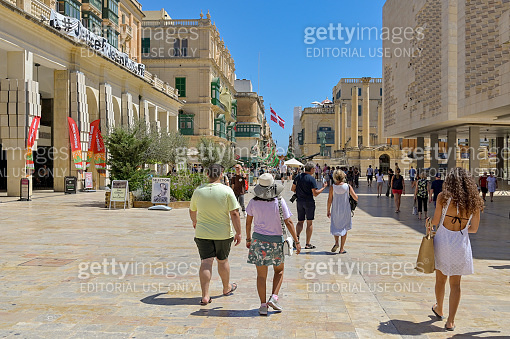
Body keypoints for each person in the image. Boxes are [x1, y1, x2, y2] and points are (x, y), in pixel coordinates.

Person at [428, 167, 482, 331]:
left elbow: (435, 222)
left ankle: (439, 308)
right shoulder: (475, 201)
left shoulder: (443, 198)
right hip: (460, 243)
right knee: (456, 284)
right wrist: (462, 229)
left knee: (440, 279)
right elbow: (474, 229)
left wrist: (429, 225)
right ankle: (450, 321)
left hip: (443, 242)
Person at [246, 173, 301, 316]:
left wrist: (248, 238)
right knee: (279, 271)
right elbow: (288, 222)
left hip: (258, 241)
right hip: (276, 241)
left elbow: (248, 222)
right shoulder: (279, 201)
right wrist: (296, 241)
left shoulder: (253, 202)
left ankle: (263, 305)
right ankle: (274, 297)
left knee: (261, 275)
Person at [189, 164, 242, 305]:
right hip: (223, 234)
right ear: (221, 174)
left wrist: (195, 222)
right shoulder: (227, 191)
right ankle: (226, 288)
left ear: (207, 174)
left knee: (206, 262)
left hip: (202, 233)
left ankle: (205, 296)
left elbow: (192, 210)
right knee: (222, 260)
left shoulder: (198, 191)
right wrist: (239, 232)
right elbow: (234, 213)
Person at [291, 162, 328, 249]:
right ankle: (307, 244)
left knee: (300, 221)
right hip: (309, 202)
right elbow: (315, 193)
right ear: (311, 169)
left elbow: (293, 189)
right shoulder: (311, 179)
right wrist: (323, 188)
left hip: (299, 201)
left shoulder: (298, 177)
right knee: (309, 222)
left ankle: (297, 239)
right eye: (314, 169)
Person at [327, 170, 358, 254]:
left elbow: (329, 200)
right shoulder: (347, 186)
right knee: (344, 228)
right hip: (345, 210)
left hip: (335, 210)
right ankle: (342, 249)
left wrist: (328, 210)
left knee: (335, 225)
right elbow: (355, 197)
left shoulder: (333, 187)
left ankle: (336, 242)